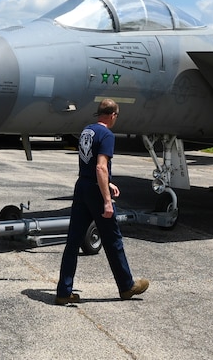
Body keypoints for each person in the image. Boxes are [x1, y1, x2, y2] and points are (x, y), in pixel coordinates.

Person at [54, 99, 148, 305]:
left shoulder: (87, 130)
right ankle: (126, 286)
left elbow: (91, 166)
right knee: (113, 240)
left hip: (82, 188)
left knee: (73, 241)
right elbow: (100, 167)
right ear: (113, 115)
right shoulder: (107, 135)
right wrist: (107, 199)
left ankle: (63, 291)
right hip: (96, 192)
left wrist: (109, 183)